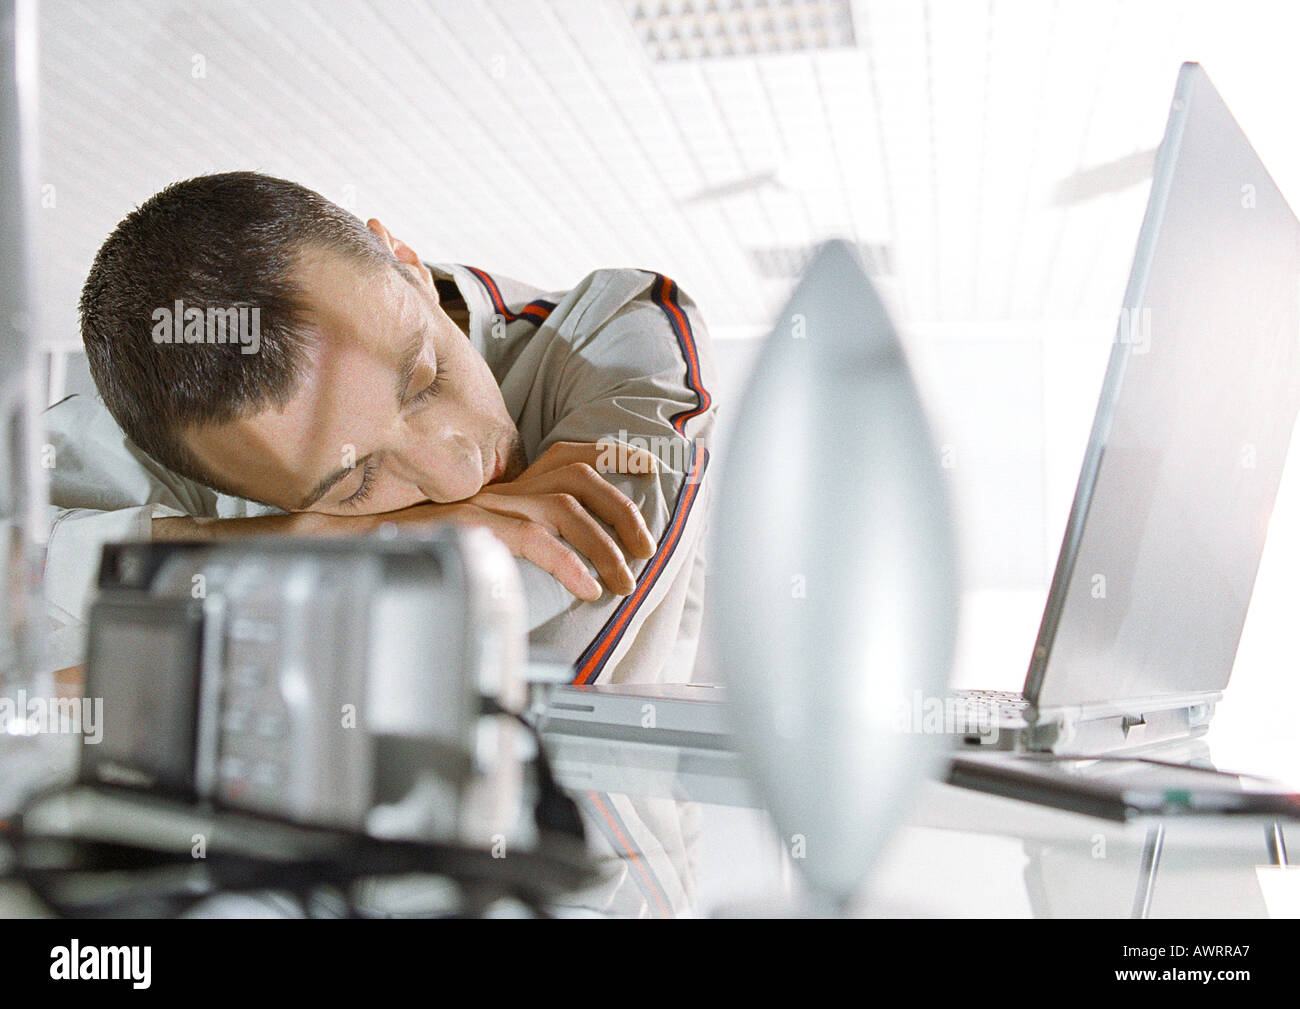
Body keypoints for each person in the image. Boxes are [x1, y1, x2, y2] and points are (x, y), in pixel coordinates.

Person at [43, 171, 717, 686]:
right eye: (356, 481)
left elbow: (514, 649)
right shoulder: (177, 429)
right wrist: (329, 538)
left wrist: (297, 548)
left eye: (425, 377)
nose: (459, 474)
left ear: (406, 264)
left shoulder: (623, 330)